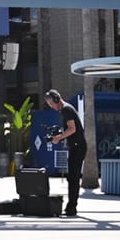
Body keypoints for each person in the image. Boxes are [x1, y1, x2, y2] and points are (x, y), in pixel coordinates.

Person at [43, 89, 86, 217]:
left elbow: (72, 129)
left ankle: (72, 207)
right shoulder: (65, 110)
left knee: (73, 177)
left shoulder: (66, 109)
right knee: (71, 177)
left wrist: (59, 138)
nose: (51, 107)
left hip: (78, 147)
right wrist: (59, 136)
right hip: (75, 147)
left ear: (57, 99)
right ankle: (71, 206)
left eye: (51, 104)